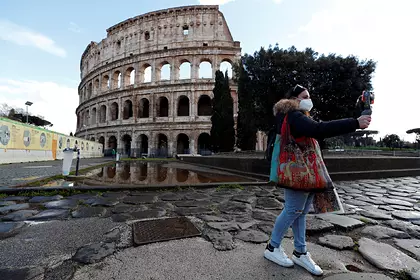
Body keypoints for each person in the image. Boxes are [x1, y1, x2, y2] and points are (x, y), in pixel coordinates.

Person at [264, 84, 371, 276]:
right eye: (305, 96)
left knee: (300, 212)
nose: (308, 99)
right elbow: (319, 129)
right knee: (292, 210)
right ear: (295, 99)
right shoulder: (295, 116)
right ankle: (272, 248)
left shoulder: (295, 116)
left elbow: (316, 129)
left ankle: (300, 251)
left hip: (301, 172)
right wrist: (355, 122)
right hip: (298, 171)